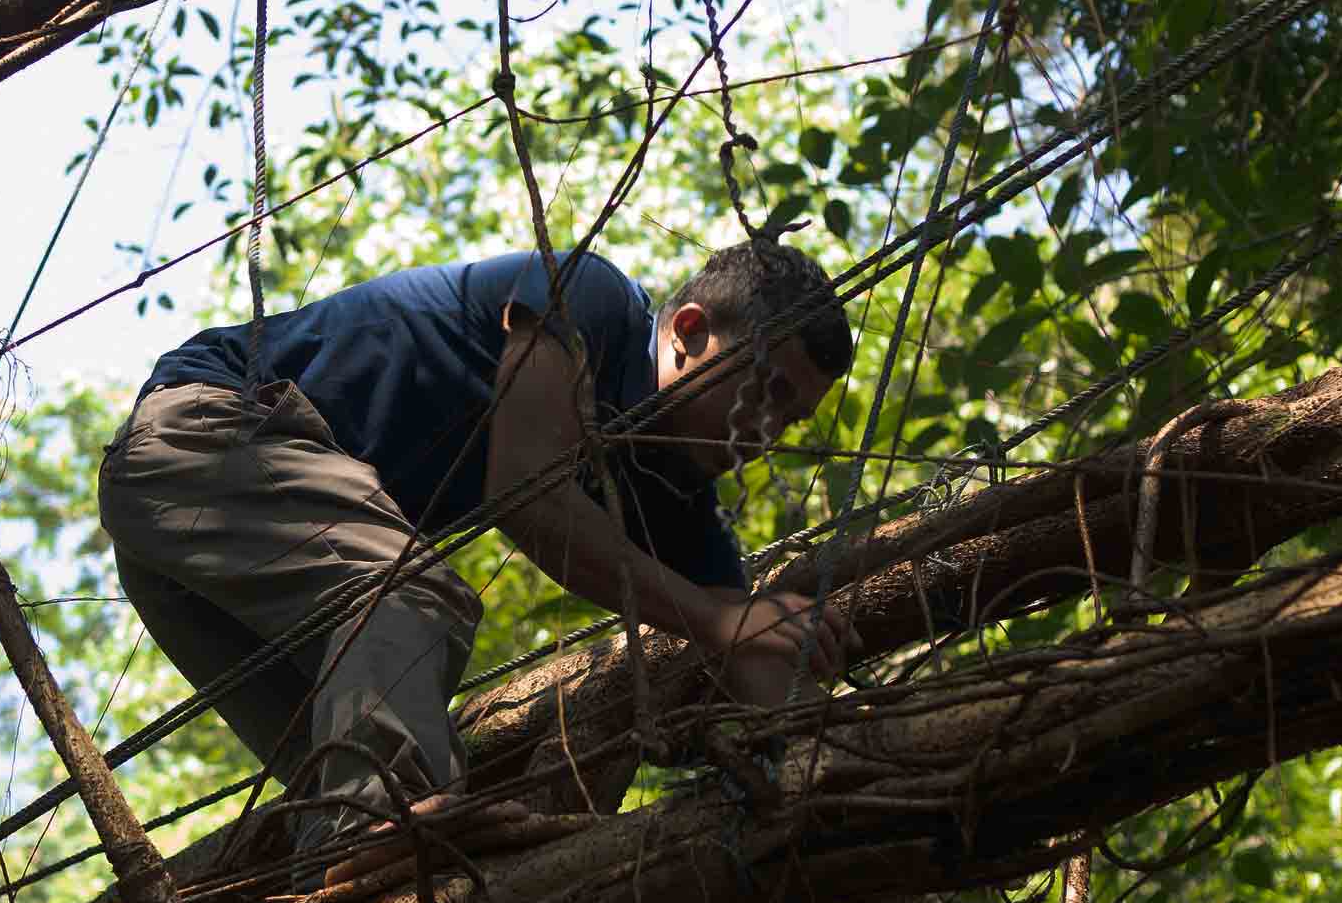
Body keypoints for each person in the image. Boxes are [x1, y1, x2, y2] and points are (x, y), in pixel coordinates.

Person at [95, 236, 854, 866]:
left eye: (794, 417)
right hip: (207, 438)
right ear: (689, 330)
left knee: (366, 779)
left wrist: (808, 743)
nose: (769, 429)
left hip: (197, 546)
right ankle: (366, 867)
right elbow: (524, 490)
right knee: (412, 597)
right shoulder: (587, 299)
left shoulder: (672, 489)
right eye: (770, 390)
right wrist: (718, 621)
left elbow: (746, 636)